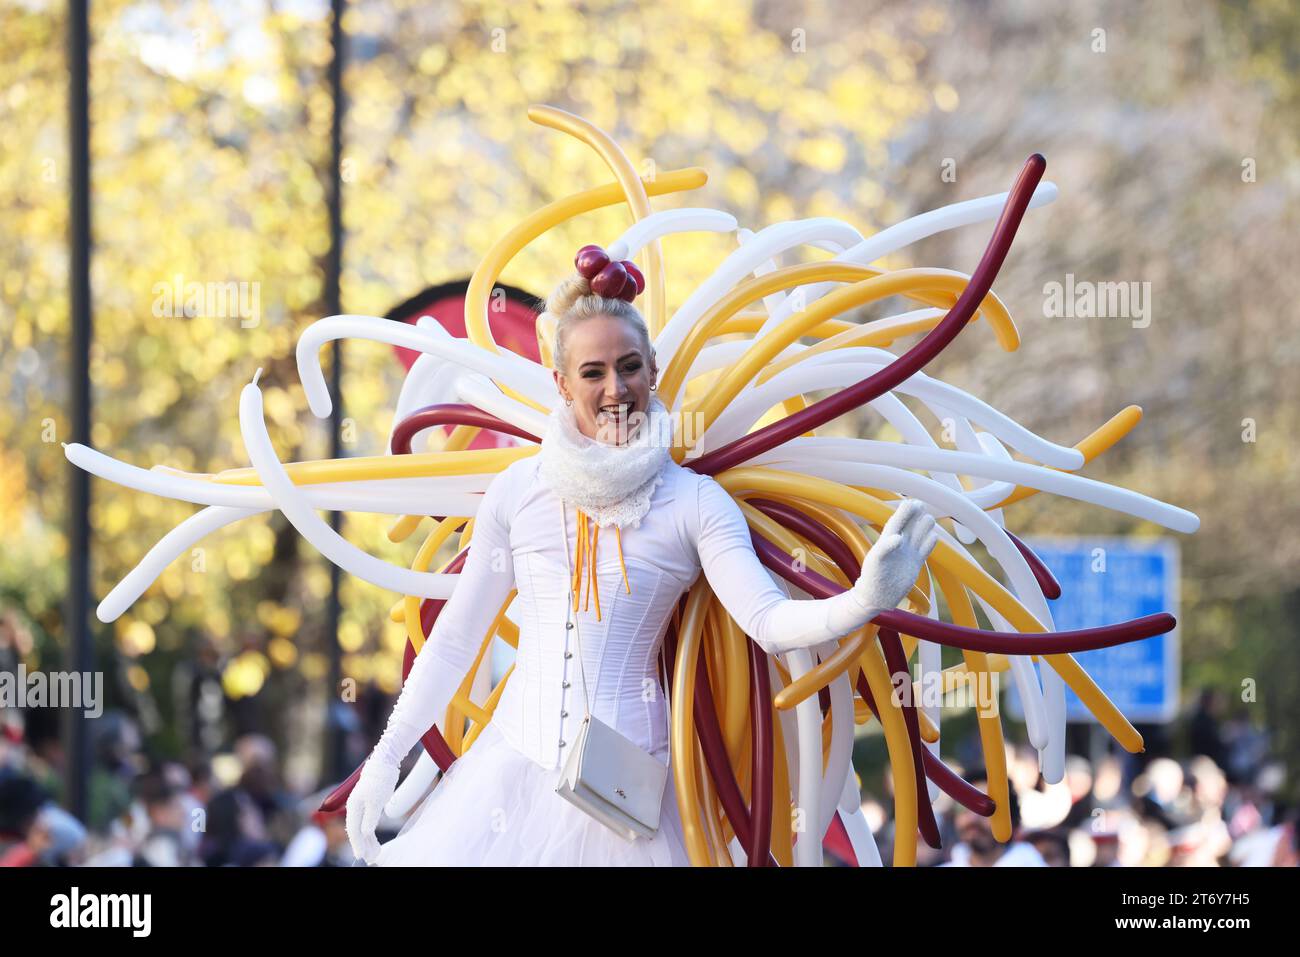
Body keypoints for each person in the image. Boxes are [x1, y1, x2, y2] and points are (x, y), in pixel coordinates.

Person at [346, 250, 938, 866]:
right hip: (506, 781)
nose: (614, 389)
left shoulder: (693, 501)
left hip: (627, 805)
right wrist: (385, 759)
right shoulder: (518, 491)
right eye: (593, 371)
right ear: (561, 381)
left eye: (629, 367)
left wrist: (863, 599)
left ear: (652, 370)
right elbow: (454, 642)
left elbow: (766, 622)